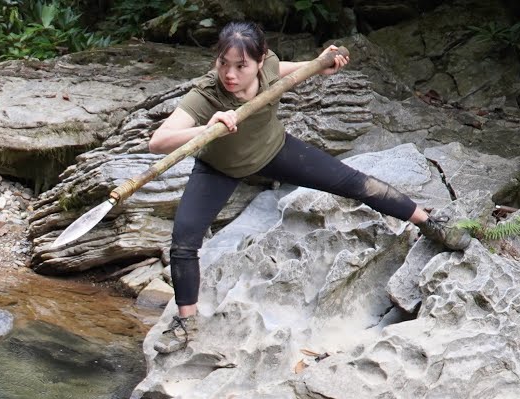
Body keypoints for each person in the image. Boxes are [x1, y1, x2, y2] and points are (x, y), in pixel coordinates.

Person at [146, 21, 462, 355]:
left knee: (356, 183)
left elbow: (280, 69)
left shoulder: (268, 64)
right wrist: (206, 128)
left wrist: (318, 65)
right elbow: (158, 142)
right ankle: (186, 322)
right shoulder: (206, 93)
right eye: (223, 63)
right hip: (218, 168)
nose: (230, 74)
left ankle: (429, 222)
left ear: (259, 60)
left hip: (274, 151)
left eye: (241, 66)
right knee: (183, 239)